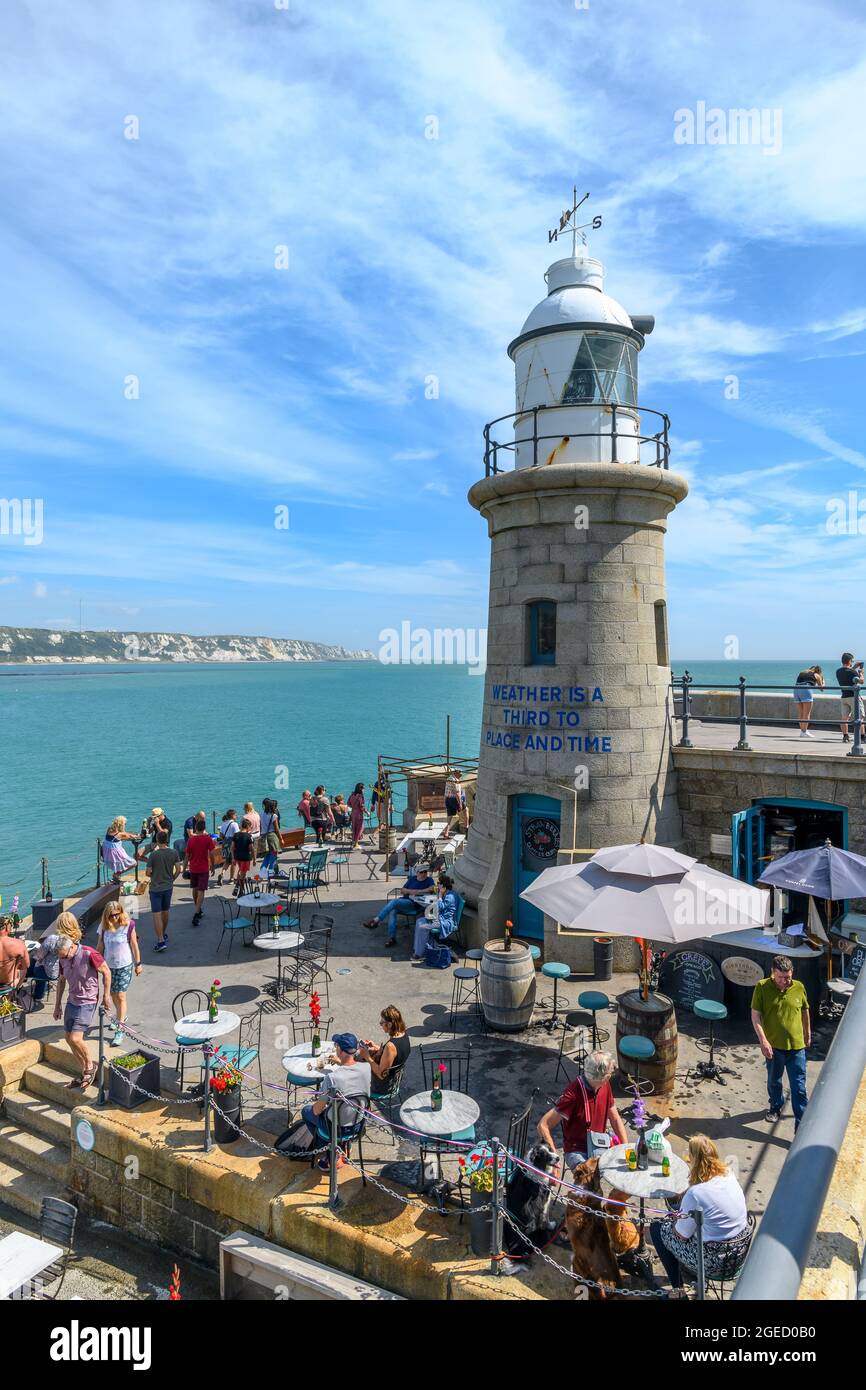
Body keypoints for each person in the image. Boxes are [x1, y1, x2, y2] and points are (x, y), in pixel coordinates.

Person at [649, 1135, 748, 1291]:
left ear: (694, 1159)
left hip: (715, 1262)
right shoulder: (728, 1173)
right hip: (738, 1252)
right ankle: (688, 1271)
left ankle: (678, 1289)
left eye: (689, 1154)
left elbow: (681, 1235)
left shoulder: (696, 1193)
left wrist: (673, 1220)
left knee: (657, 1228)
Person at [536, 1051, 628, 1171]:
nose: (612, 1074)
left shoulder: (604, 1085)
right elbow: (543, 1125)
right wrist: (554, 1163)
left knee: (624, 1170)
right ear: (606, 1077)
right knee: (587, 1177)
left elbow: (615, 1119)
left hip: (599, 1144)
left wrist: (626, 1148)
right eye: (611, 1072)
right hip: (577, 1151)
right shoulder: (573, 1095)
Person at [751, 954, 810, 1129]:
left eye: (788, 977)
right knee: (774, 1081)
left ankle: (801, 1126)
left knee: (799, 1087)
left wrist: (807, 1033)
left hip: (796, 1047)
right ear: (772, 972)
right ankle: (776, 1106)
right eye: (780, 977)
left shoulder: (799, 987)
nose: (785, 981)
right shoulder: (762, 987)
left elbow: (805, 1010)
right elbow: (755, 1016)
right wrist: (763, 1041)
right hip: (774, 1047)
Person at [300, 1033, 372, 1170]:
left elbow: (317, 1110)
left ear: (340, 1050)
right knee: (335, 1112)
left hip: (336, 1128)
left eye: (336, 1045)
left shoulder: (332, 1078)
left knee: (306, 1112)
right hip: (358, 1125)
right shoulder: (366, 1068)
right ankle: (343, 1145)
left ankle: (331, 1153)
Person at [54, 935, 112, 1089]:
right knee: (68, 1038)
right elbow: (61, 981)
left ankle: (90, 1067)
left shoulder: (89, 953)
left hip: (87, 1001)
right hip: (72, 1001)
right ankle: (84, 1070)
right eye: (60, 957)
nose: (62, 959)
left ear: (72, 947)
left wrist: (106, 996)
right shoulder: (63, 958)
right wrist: (57, 1005)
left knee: (76, 1038)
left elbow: (106, 972)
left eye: (64, 956)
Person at [96, 902, 142, 1047]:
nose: (115, 917)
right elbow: (100, 945)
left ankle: (120, 1029)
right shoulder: (104, 927)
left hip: (124, 965)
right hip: (109, 967)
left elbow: (134, 945)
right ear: (107, 916)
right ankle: (121, 1015)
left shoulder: (128, 925)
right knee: (113, 994)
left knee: (121, 996)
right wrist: (95, 962)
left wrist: (138, 963)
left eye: (117, 914)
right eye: (112, 915)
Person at [362, 864, 436, 948]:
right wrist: (412, 891)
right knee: (392, 911)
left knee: (394, 902)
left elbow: (432, 888)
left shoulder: (429, 880)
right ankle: (392, 938)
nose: (424, 874)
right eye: (421, 872)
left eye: (425, 872)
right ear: (417, 873)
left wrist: (418, 891)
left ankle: (376, 920)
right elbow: (402, 890)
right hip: (405, 901)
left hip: (414, 904)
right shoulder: (412, 879)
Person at [26, 910, 81, 1004]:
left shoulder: (52, 939)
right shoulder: (76, 940)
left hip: (51, 972)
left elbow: (39, 956)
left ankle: (36, 994)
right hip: (64, 971)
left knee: (32, 964)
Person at [358, 1006, 411, 1096]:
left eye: (382, 1022)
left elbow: (381, 1074)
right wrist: (376, 1047)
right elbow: (394, 1054)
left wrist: (367, 1057)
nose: (380, 1024)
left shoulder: (391, 1046)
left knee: (354, 1067)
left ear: (389, 1024)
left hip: (383, 1087)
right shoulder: (403, 1034)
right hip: (394, 1079)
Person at [145, 830, 180, 951]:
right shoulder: (174, 852)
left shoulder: (154, 855)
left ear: (157, 840)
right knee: (165, 912)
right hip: (168, 887)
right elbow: (178, 869)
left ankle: (160, 941)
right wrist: (172, 879)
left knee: (157, 914)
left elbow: (148, 872)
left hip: (156, 888)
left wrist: (153, 875)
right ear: (167, 840)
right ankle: (163, 934)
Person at [414, 873, 461, 960]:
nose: (437, 885)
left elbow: (440, 907)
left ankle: (420, 954)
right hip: (438, 917)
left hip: (445, 921)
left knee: (422, 927)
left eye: (439, 883)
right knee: (419, 921)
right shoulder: (446, 893)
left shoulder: (450, 896)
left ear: (443, 886)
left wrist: (439, 896)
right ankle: (419, 948)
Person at [184, 817, 215, 925]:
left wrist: (184, 868)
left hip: (193, 868)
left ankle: (198, 908)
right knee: (201, 890)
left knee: (195, 888)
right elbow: (212, 854)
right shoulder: (208, 839)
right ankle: (197, 913)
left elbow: (187, 856)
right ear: (204, 828)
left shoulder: (191, 840)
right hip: (203, 868)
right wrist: (213, 866)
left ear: (196, 828)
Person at [836, 653, 864, 743]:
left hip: (844, 697)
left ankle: (845, 736)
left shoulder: (838, 671)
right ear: (849, 661)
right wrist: (861, 673)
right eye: (852, 661)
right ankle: (862, 737)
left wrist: (854, 667)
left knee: (844, 718)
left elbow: (847, 673)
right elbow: (861, 681)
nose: (852, 662)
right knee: (859, 717)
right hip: (853, 696)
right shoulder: (853, 672)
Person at [101, 816, 140, 883]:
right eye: (125, 824)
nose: (125, 825)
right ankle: (117, 874)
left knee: (120, 865)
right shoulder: (120, 834)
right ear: (121, 824)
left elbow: (123, 834)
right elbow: (129, 836)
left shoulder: (109, 829)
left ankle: (116, 875)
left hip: (107, 856)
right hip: (116, 855)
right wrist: (136, 836)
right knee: (134, 863)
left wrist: (129, 835)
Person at [792, 665, 824, 738]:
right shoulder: (817, 675)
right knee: (806, 713)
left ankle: (802, 731)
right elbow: (821, 688)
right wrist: (823, 681)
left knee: (801, 713)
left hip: (796, 689)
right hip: (805, 689)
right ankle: (804, 732)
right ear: (819, 672)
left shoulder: (802, 673)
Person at [0, 915, 29, 988]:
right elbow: (26, 965)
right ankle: (14, 991)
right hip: (9, 983)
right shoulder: (19, 943)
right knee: (23, 970)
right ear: (7, 927)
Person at [231, 817, 256, 896]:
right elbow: (252, 848)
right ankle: (241, 891)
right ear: (248, 827)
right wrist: (254, 859)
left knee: (240, 871)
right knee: (243, 874)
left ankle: (237, 886)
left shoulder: (236, 835)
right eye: (250, 827)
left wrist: (233, 858)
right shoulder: (249, 836)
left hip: (237, 857)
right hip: (246, 858)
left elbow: (232, 847)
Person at [259, 798, 282, 874]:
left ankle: (262, 872)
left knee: (267, 856)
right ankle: (271, 873)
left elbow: (260, 827)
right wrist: (281, 839)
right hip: (272, 837)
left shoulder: (261, 814)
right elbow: (277, 829)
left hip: (264, 836)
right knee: (273, 856)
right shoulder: (274, 816)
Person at [217, 808, 240, 884]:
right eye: (235, 815)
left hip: (225, 843)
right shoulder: (234, 824)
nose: (236, 816)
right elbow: (237, 835)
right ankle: (231, 879)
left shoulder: (223, 823)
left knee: (227, 861)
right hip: (232, 844)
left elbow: (221, 835)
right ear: (232, 815)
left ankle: (222, 874)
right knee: (233, 861)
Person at [347, 782, 366, 848]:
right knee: (359, 828)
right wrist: (367, 812)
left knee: (354, 828)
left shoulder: (352, 795)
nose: (364, 790)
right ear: (361, 789)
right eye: (363, 788)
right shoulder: (360, 796)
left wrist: (354, 807)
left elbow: (348, 803)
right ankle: (356, 843)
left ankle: (353, 842)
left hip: (353, 813)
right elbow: (361, 806)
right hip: (359, 814)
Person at [444, 769, 462, 834]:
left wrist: (445, 801)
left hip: (447, 799)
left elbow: (446, 791)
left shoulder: (448, 778)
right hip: (454, 799)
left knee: (449, 817)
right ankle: (466, 827)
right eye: (460, 773)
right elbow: (457, 793)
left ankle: (446, 833)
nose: (461, 775)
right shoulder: (454, 780)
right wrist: (460, 803)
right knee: (465, 810)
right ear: (456, 773)